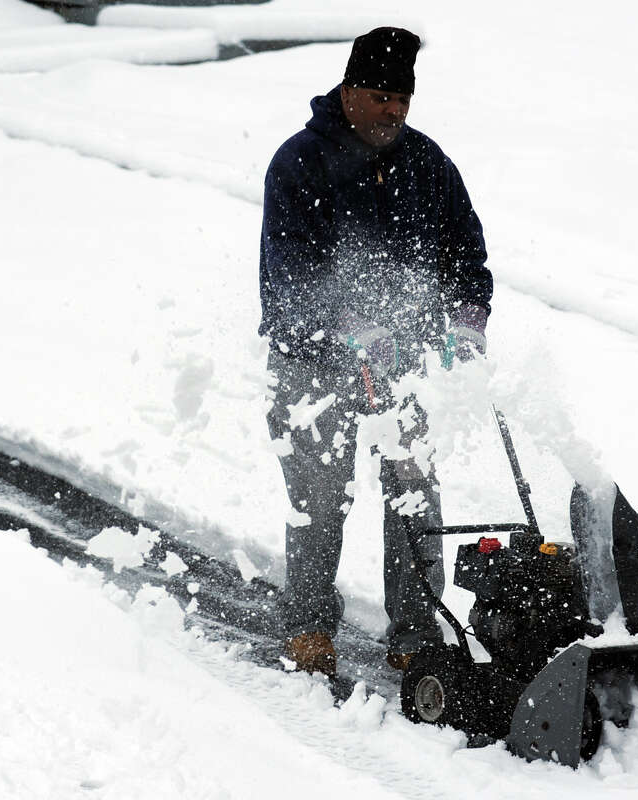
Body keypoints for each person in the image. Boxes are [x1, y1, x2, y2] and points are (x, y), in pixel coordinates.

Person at [260, 27, 493, 676]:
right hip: (310, 363)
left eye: (404, 99)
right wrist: (352, 326)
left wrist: (467, 322)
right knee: (319, 497)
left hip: (402, 363)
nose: (394, 110)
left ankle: (417, 639)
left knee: (415, 494)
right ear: (350, 90)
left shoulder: (426, 163)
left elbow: (466, 255)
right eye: (382, 95)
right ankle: (308, 629)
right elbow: (293, 275)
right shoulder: (300, 162)